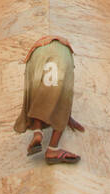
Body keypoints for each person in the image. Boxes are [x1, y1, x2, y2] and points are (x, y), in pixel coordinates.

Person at [13, 35, 84, 164]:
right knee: (62, 95)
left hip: (36, 53)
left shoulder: (41, 46)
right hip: (61, 54)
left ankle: (37, 132)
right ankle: (53, 149)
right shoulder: (66, 52)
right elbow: (64, 95)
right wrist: (66, 115)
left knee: (38, 91)